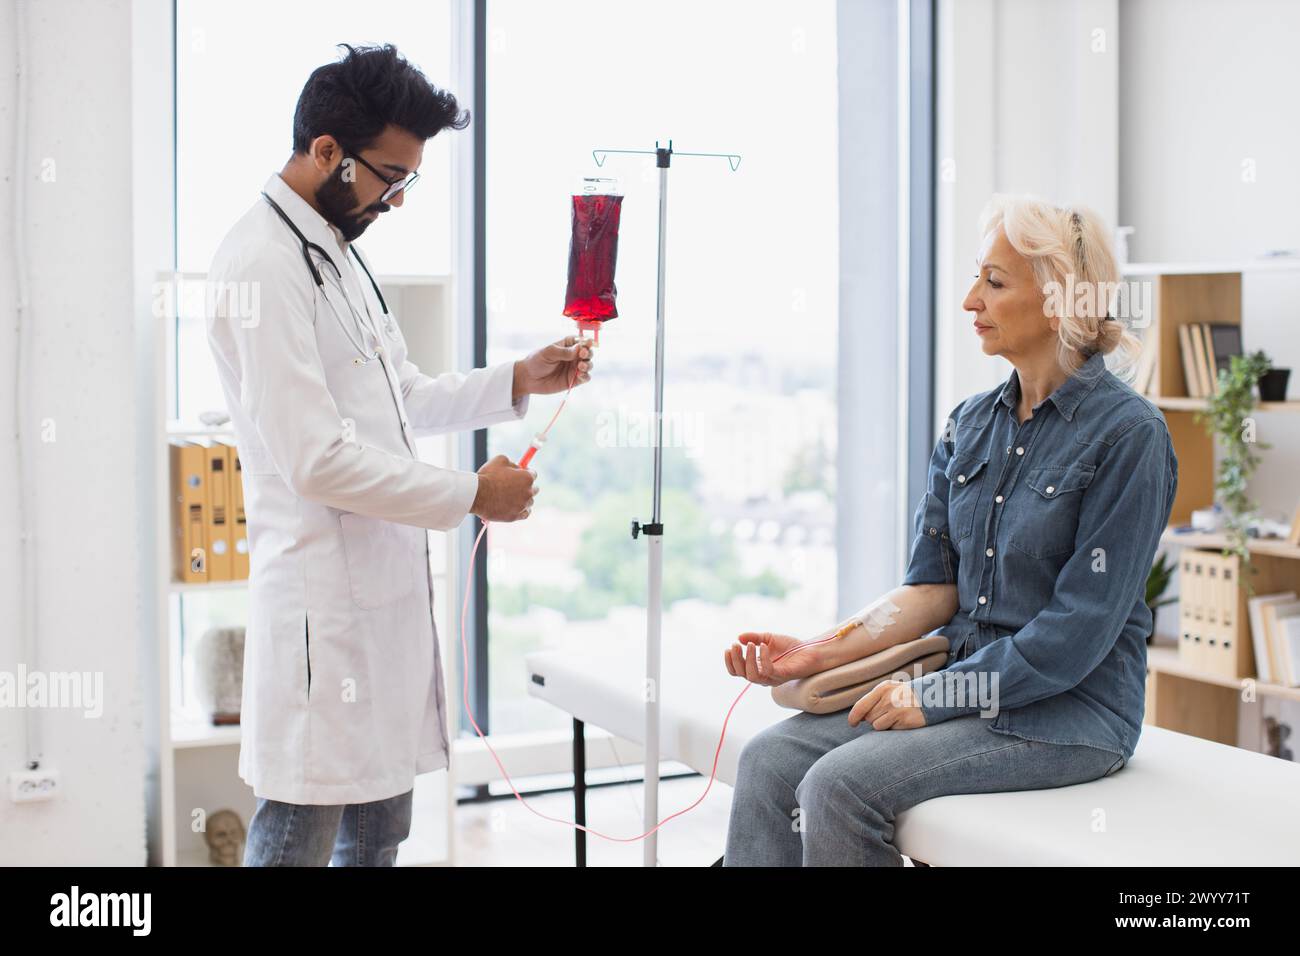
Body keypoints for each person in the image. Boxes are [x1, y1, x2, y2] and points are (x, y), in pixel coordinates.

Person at [205, 43, 594, 866]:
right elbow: (316, 461)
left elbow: (401, 398)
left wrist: (517, 377)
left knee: (379, 836)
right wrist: (468, 494)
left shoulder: (338, 251)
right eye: (390, 177)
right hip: (324, 610)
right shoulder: (262, 263)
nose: (397, 200)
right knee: (296, 836)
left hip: (380, 604)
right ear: (325, 153)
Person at [721, 194, 1177, 866]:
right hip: (963, 685)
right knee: (768, 760)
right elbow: (931, 588)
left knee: (839, 788)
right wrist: (820, 651)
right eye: (976, 278)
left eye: (994, 282)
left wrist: (935, 696)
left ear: (1060, 301)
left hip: (1070, 713)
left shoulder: (1130, 436)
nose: (970, 300)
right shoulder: (970, 423)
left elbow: (1073, 637)